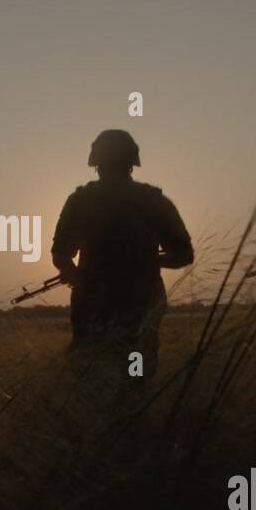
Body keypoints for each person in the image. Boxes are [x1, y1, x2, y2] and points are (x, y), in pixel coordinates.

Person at [51, 129, 194, 374]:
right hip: (142, 302)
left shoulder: (80, 201)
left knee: (88, 378)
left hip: (93, 303)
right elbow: (183, 255)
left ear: (95, 162)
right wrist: (150, 261)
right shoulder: (153, 200)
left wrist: (79, 277)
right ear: (132, 162)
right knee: (136, 377)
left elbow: (61, 255)